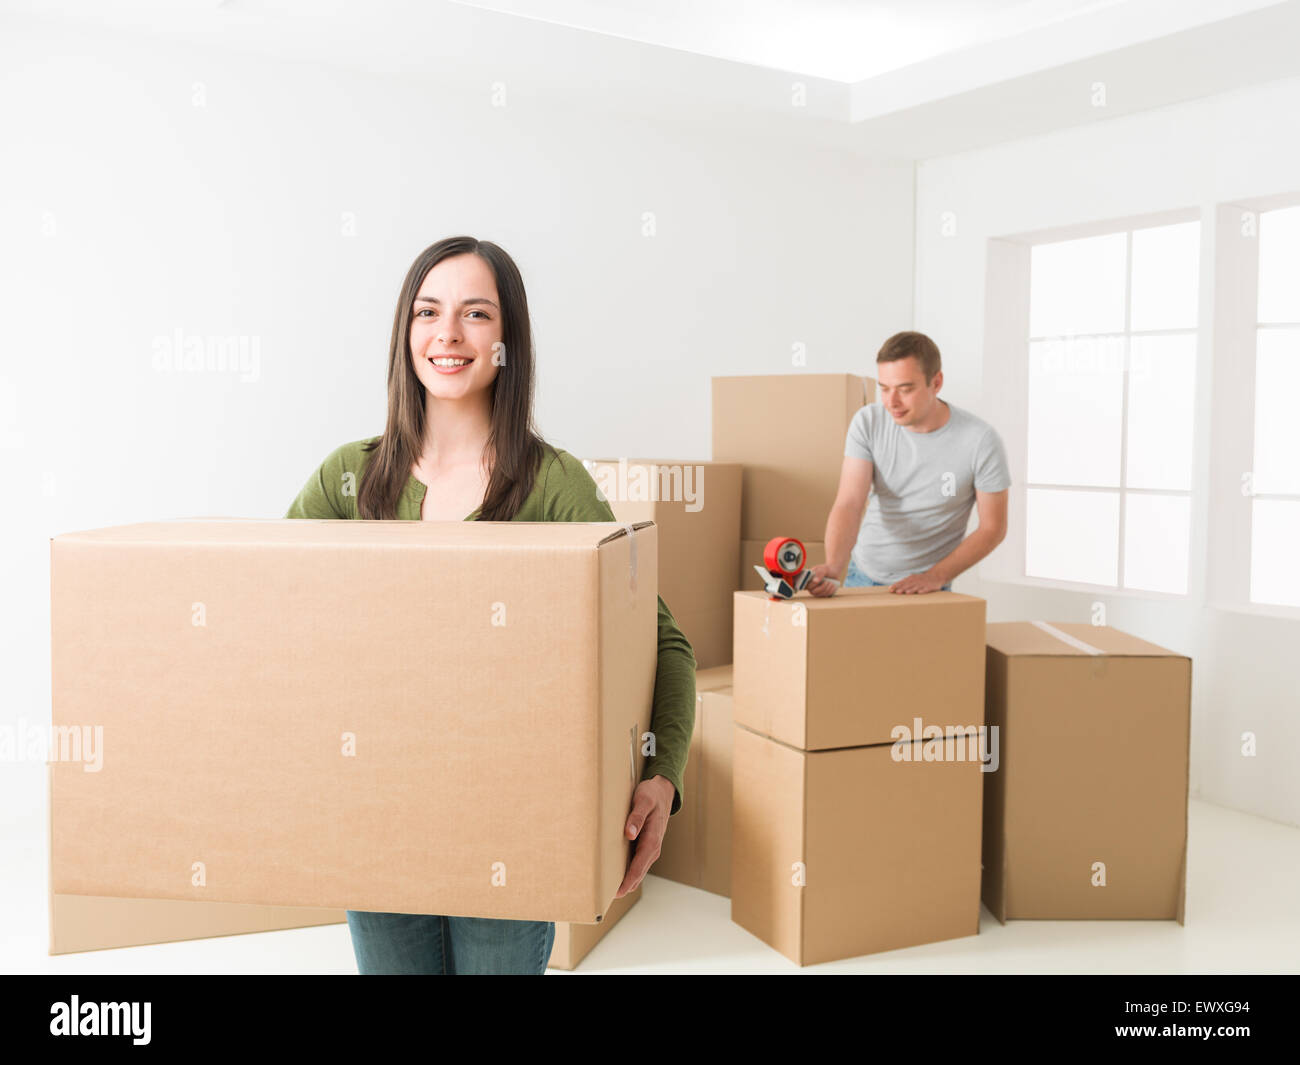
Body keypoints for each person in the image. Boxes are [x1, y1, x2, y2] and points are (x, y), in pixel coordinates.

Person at [284, 235, 697, 974]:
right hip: (379, 813)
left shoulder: (552, 485)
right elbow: (271, 612)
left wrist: (661, 772)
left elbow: (662, 642)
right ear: (405, 332)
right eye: (427, 312)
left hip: (513, 816)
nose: (447, 334)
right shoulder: (349, 480)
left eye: (476, 313)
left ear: (508, 341)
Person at [806, 331, 1010, 598]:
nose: (892, 402)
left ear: (936, 383)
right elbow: (849, 502)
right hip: (863, 572)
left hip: (929, 584)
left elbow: (992, 528)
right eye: (885, 388)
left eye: (905, 389)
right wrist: (834, 565)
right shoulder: (868, 422)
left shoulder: (980, 440)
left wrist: (936, 576)